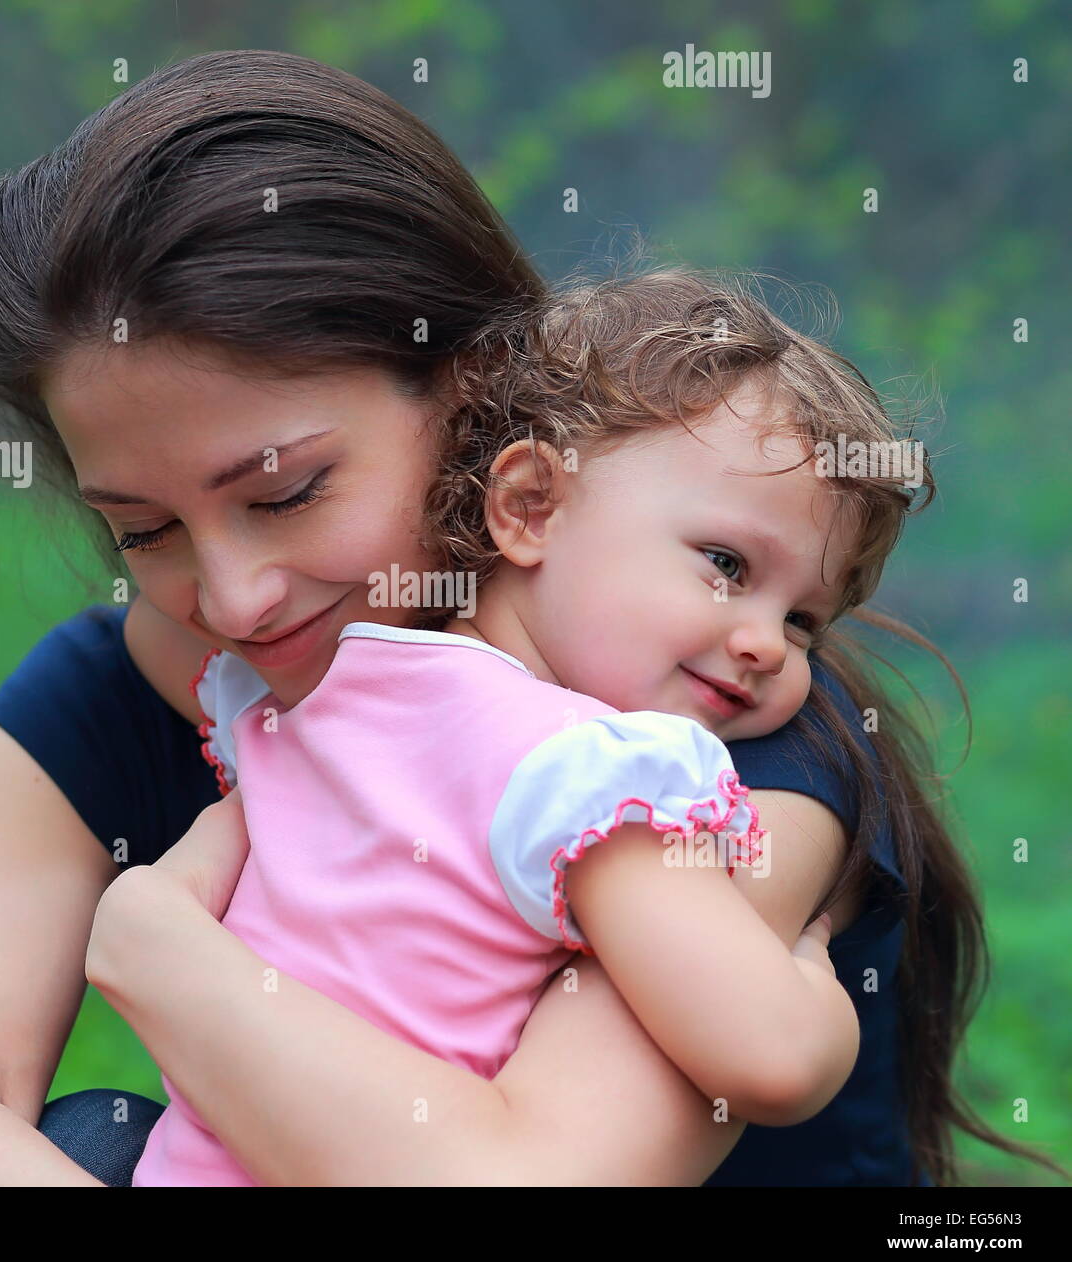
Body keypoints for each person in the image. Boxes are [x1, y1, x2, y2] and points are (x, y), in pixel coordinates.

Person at [0, 51, 1057, 1189]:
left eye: (286, 491)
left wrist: (163, 951)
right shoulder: (98, 701)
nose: (235, 596)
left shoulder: (701, 723)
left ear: (477, 408)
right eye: (142, 530)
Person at [118, 269, 904, 1187]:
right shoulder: (582, 777)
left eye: (805, 620)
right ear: (529, 505)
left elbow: (150, 631)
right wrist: (813, 974)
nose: (768, 646)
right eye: (726, 563)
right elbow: (770, 1056)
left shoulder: (313, 685)